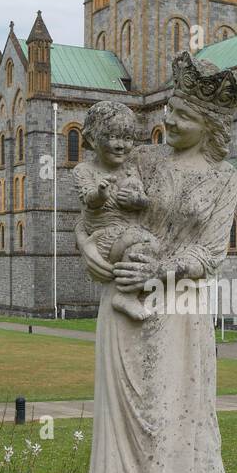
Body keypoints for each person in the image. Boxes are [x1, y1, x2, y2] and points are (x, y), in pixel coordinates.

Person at [19, 50, 237, 473]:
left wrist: (163, 266)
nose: (168, 122)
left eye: (181, 115)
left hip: (180, 313)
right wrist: (88, 250)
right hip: (125, 308)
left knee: (177, 419)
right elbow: (93, 215)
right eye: (170, 110)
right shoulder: (145, 160)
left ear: (211, 127)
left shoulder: (224, 179)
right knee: (129, 420)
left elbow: (211, 252)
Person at [71, 99, 160, 321]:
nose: (121, 145)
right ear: (92, 139)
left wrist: (136, 200)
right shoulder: (84, 170)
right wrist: (100, 194)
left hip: (127, 235)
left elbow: (144, 202)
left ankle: (131, 292)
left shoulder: (131, 170)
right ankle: (125, 296)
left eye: (128, 138)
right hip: (104, 238)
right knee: (145, 241)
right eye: (112, 137)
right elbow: (88, 200)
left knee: (145, 246)